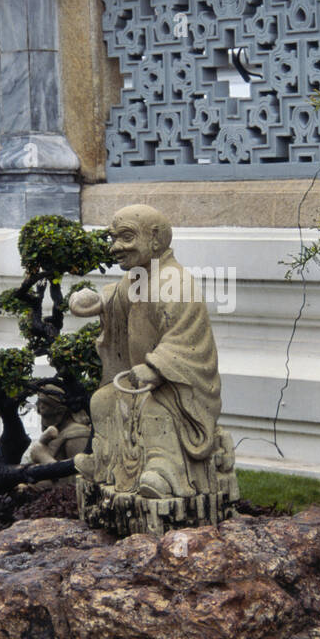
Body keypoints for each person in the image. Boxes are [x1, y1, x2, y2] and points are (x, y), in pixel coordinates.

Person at [69, 204, 228, 500]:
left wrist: (156, 368)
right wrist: (97, 302)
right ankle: (107, 462)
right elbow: (118, 299)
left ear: (155, 238)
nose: (116, 247)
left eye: (126, 237)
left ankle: (163, 471)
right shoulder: (136, 278)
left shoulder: (176, 282)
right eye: (113, 238)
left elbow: (186, 338)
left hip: (177, 385)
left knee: (155, 408)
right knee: (102, 401)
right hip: (138, 379)